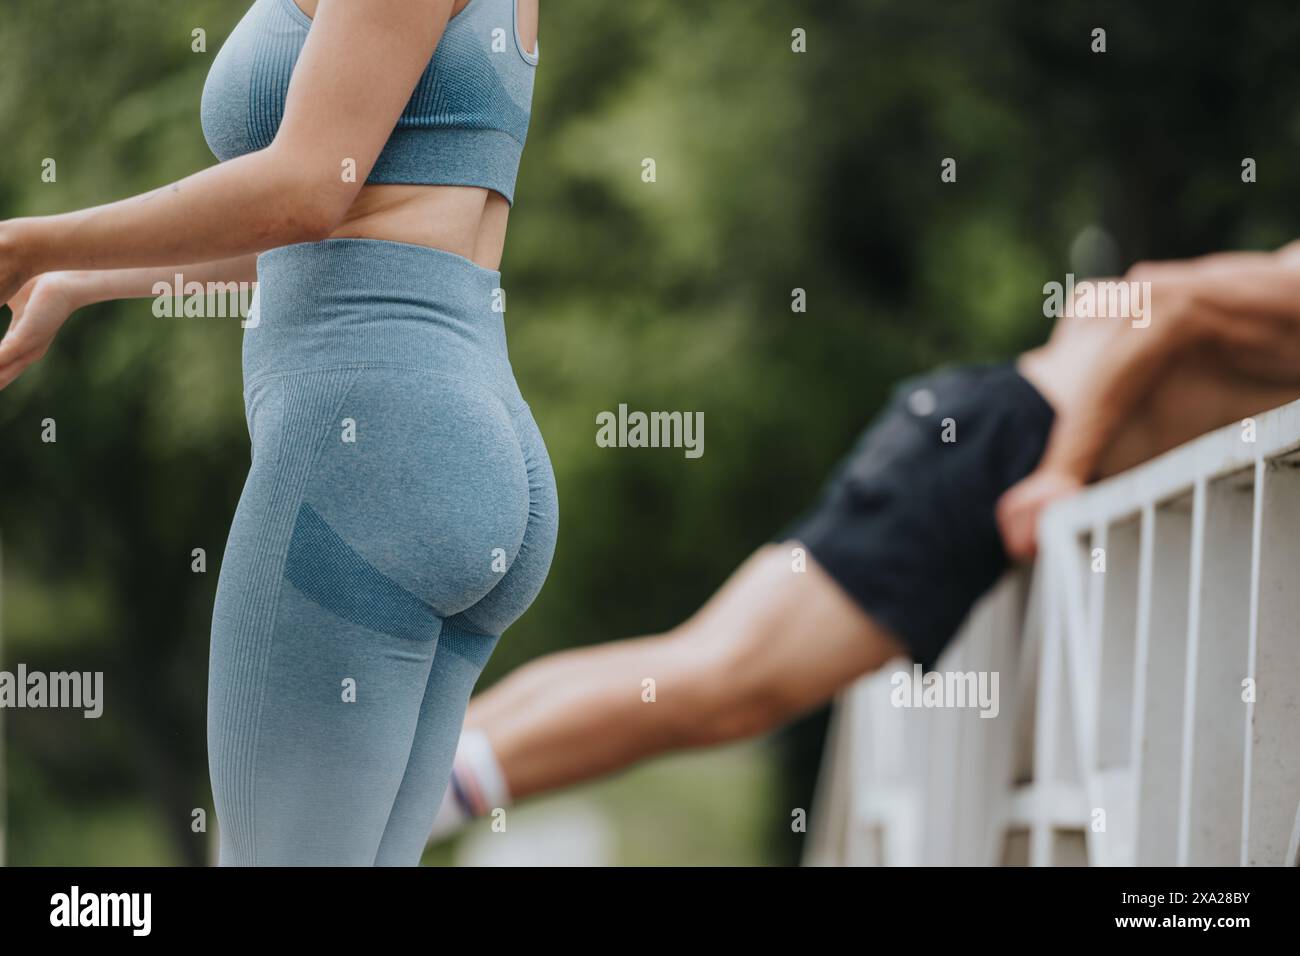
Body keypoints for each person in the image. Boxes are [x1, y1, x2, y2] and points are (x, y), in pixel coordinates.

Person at [429, 244, 1300, 837]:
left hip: (988, 424)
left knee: (701, 661)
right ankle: (426, 804)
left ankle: (416, 776)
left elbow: (1111, 297)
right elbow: (1161, 298)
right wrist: (1065, 466)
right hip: (1004, 448)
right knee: (726, 688)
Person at [0, 0, 553, 866]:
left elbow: (303, 192)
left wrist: (28, 242)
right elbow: (343, 208)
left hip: (368, 453)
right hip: (451, 442)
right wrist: (76, 277)